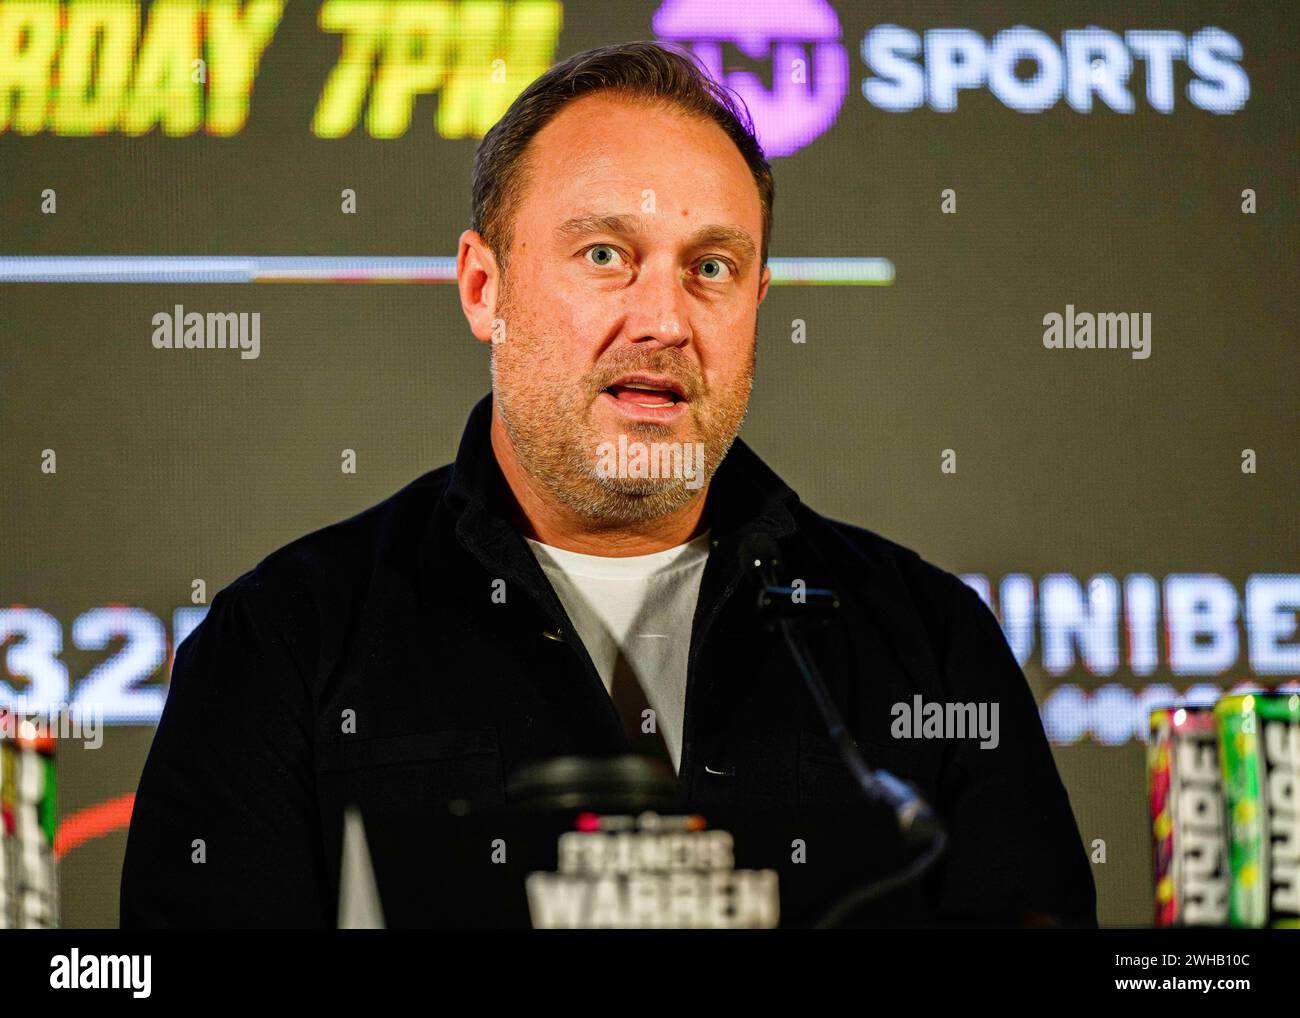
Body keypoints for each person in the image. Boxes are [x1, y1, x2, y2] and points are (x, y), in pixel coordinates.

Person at [121, 40, 1096, 928]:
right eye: (604, 255)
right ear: (481, 287)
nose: (663, 319)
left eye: (710, 266)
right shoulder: (281, 649)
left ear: (757, 302)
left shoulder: (929, 646)